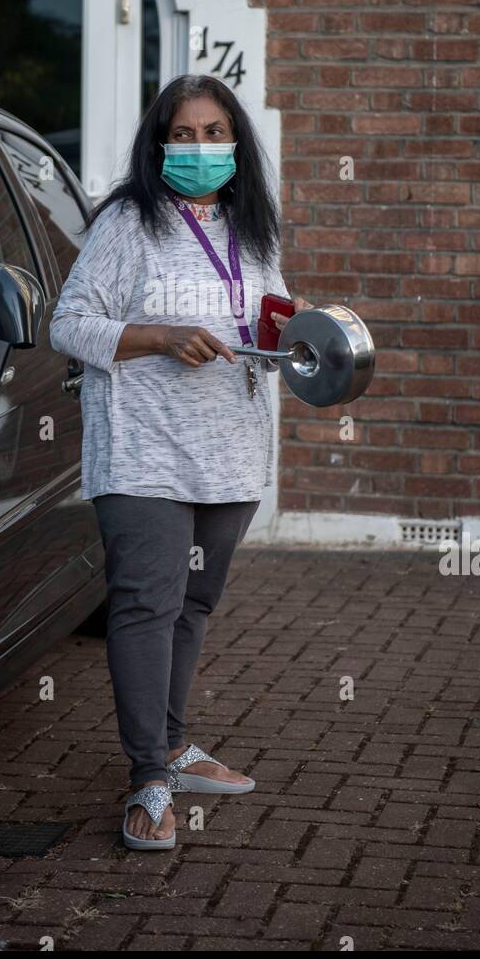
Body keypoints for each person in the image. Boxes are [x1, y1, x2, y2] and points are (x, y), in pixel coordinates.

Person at [48, 74, 309, 849]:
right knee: (145, 605)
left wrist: (299, 341)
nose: (201, 147)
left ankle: (170, 744)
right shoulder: (128, 222)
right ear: (160, 143)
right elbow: (69, 323)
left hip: (229, 449)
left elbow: (272, 317)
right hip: (143, 450)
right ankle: (147, 783)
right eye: (185, 134)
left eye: (215, 132)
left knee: (193, 604)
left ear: (237, 140)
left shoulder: (251, 227)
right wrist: (158, 336)